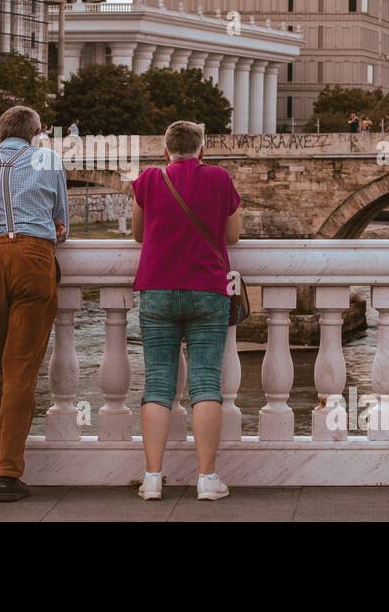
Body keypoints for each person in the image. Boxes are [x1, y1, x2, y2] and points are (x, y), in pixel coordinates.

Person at [0, 105, 68, 503]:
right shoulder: (47, 158)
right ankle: (7, 473)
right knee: (20, 368)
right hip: (32, 259)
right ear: (36, 133)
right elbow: (60, 221)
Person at [130, 120, 242, 502]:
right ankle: (207, 479)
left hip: (157, 289)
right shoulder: (220, 179)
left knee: (158, 385)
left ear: (166, 151)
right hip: (208, 290)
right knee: (206, 383)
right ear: (202, 150)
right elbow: (232, 236)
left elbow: (137, 234)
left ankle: (152, 479)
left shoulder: (148, 179)